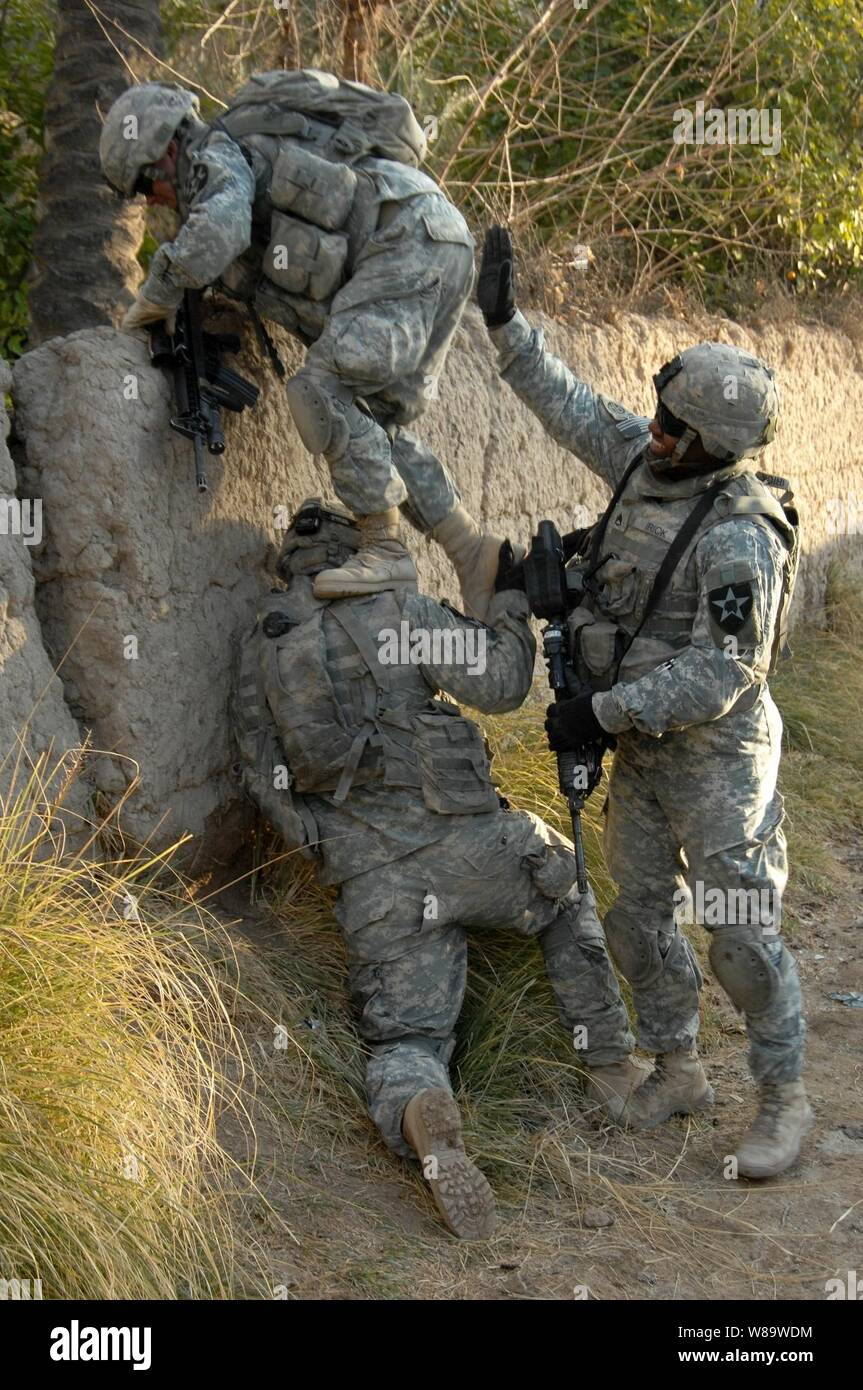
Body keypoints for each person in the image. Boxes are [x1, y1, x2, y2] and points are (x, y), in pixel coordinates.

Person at [464, 225, 811, 1180]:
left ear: (712, 446)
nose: (650, 434)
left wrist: (598, 716)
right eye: (656, 418)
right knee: (635, 920)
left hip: (719, 765)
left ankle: (783, 1099)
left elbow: (722, 673)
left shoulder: (741, 536)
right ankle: (678, 1069)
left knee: (738, 934)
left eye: (671, 429)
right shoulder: (642, 465)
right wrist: (504, 325)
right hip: (643, 761)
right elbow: (565, 404)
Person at [232, 497, 646, 1238]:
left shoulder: (264, 644)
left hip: (373, 884)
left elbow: (262, 774)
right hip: (471, 852)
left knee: (406, 1040)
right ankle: (611, 1066)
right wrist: (510, 605)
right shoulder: (397, 614)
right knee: (563, 887)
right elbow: (500, 685)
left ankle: (421, 1107)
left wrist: (329, 853)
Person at [99, 73, 499, 599]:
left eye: (147, 185)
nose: (152, 202)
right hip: (439, 239)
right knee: (376, 423)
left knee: (320, 387)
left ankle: (386, 550)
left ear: (168, 149)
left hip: (404, 240)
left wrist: (155, 295)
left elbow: (219, 230)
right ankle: (473, 552)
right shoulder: (238, 159)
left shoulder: (217, 154)